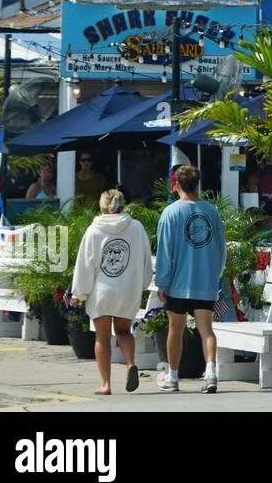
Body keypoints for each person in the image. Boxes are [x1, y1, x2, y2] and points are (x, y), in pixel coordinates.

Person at [69, 189, 153, 396]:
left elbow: (85, 264)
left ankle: (106, 384)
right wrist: (143, 284)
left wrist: (78, 293)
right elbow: (146, 258)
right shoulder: (136, 227)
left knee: (102, 337)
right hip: (127, 289)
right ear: (124, 205)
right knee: (124, 332)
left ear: (101, 206)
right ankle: (131, 363)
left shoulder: (94, 230)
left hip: (102, 291)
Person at [154, 165, 226, 394]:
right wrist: (216, 275)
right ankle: (211, 372)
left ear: (176, 185)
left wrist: (162, 283)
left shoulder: (170, 213)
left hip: (178, 283)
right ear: (198, 185)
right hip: (205, 281)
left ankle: (173, 376)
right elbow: (221, 249)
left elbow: (165, 252)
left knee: (175, 329)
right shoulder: (212, 212)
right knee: (207, 329)